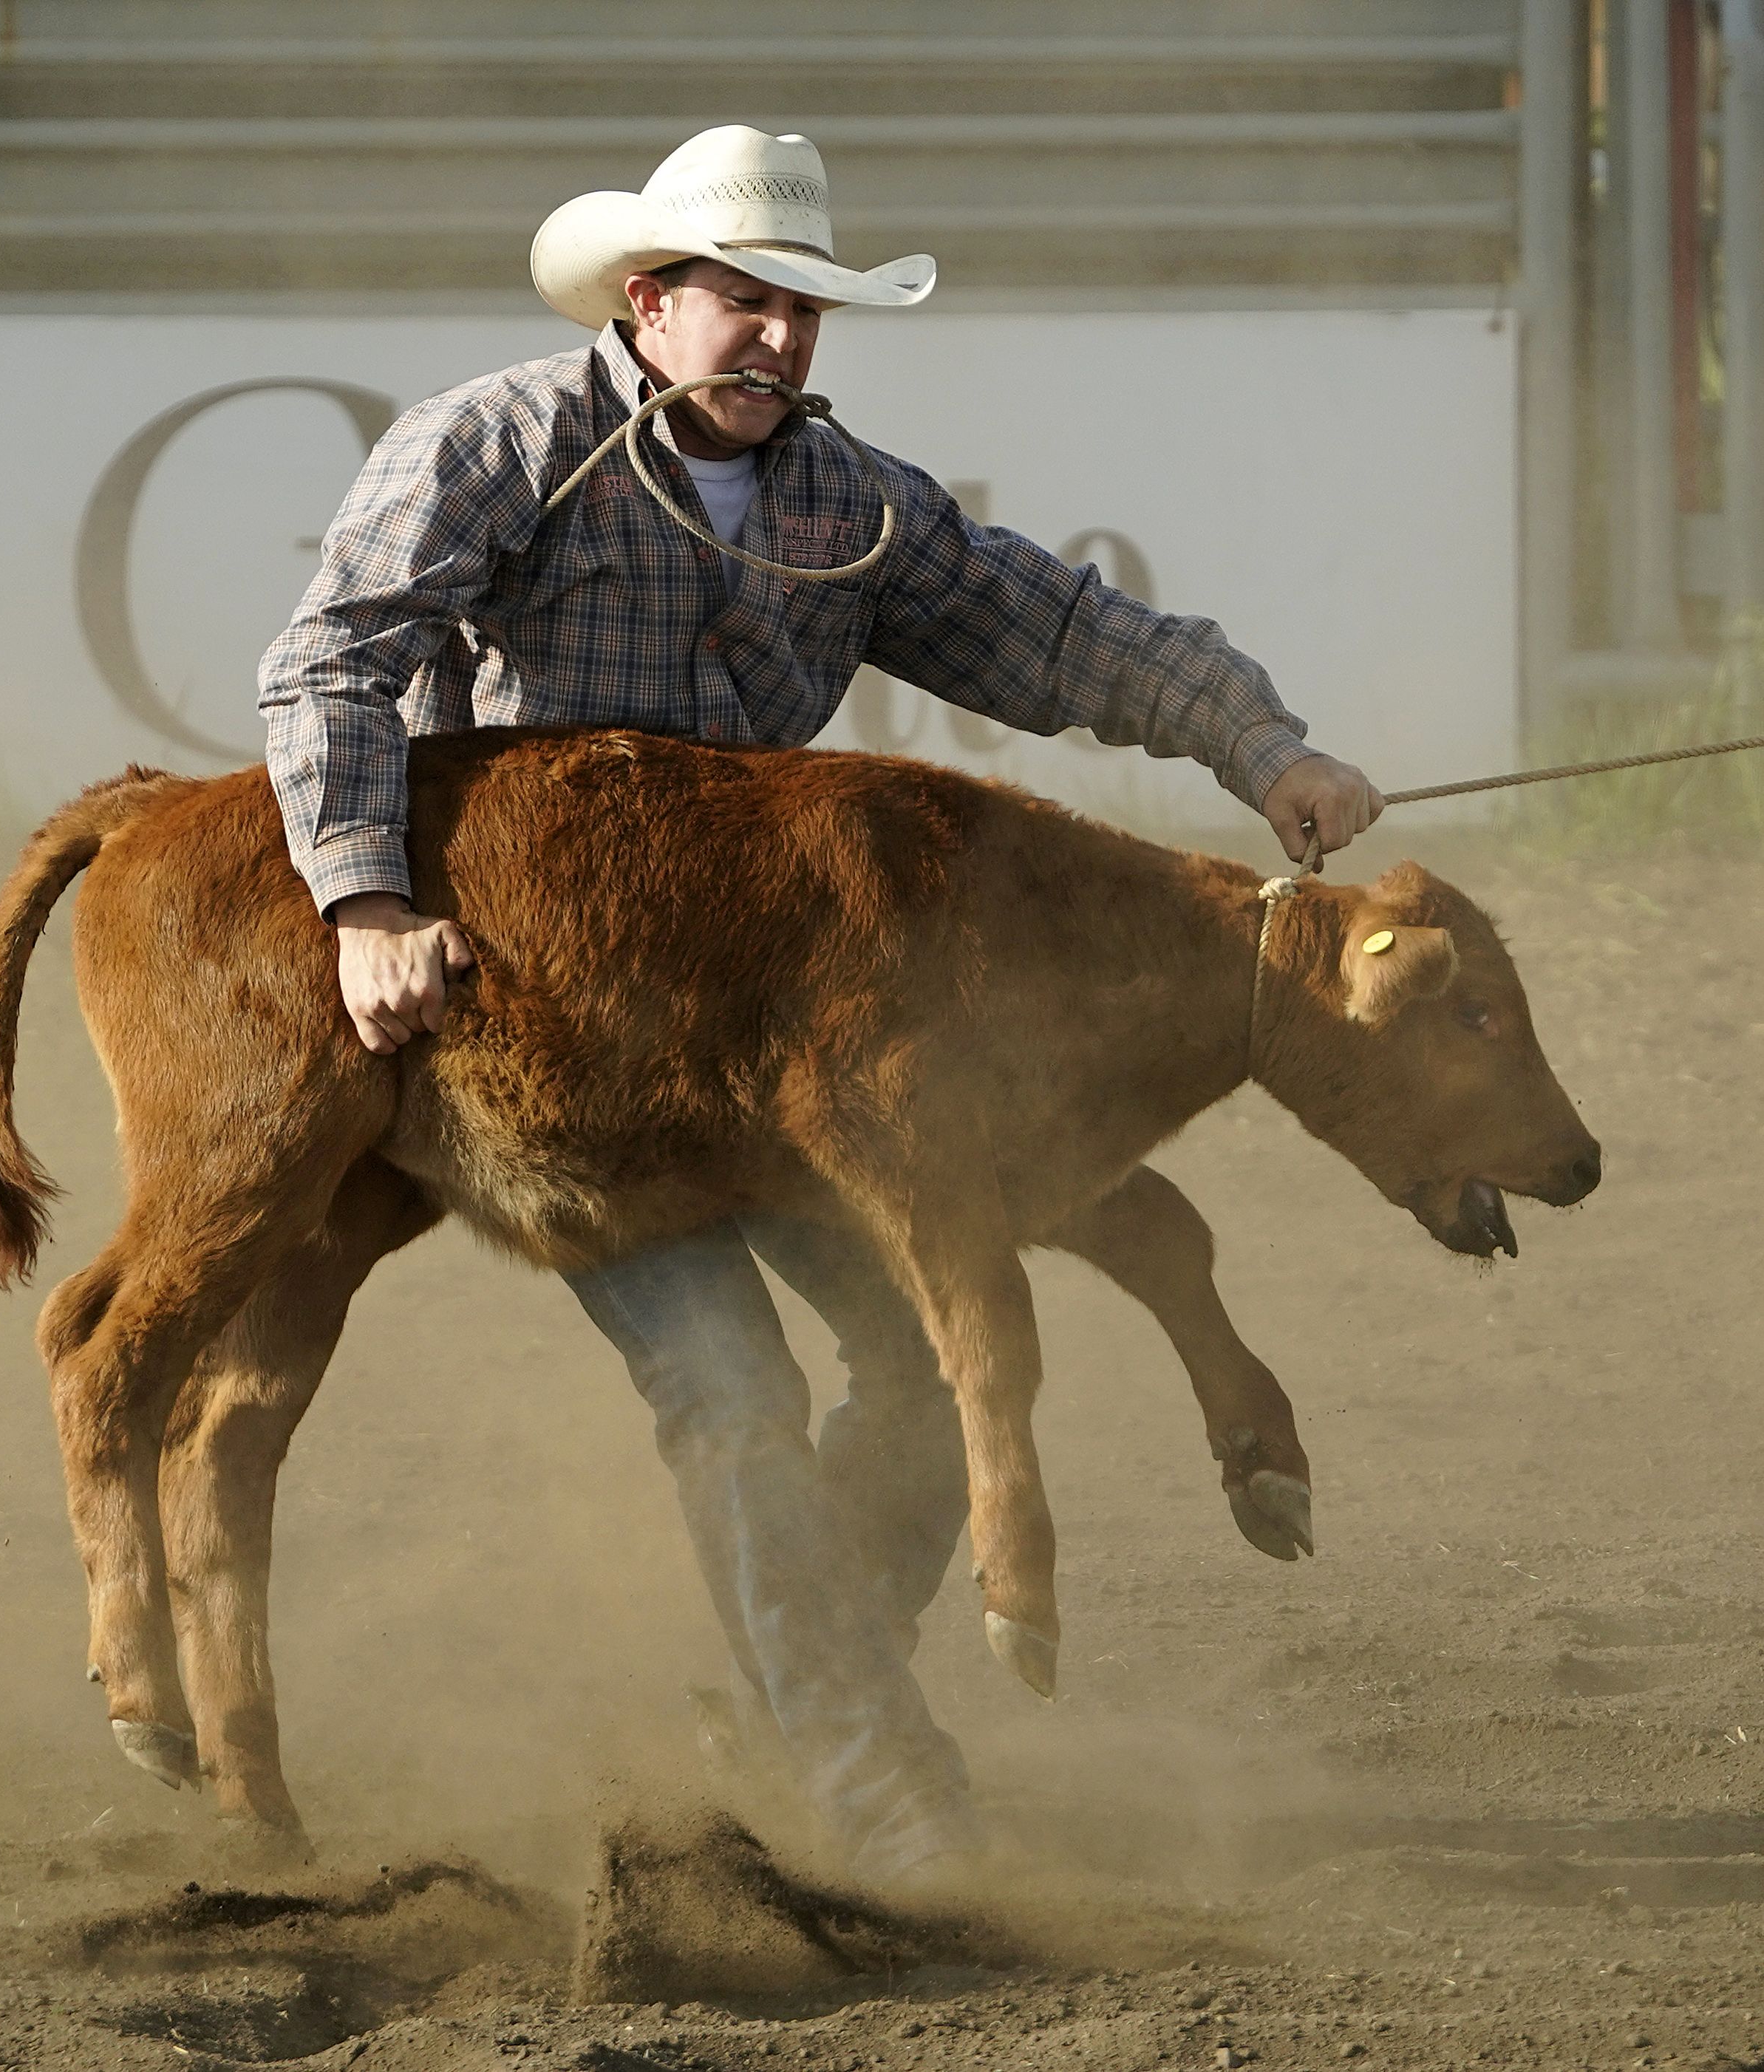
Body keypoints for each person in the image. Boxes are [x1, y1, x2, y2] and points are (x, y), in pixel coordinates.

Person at [259, 125, 1383, 1887]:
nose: (774, 339)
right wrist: (367, 900)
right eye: (741, 302)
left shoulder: (846, 506)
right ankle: (875, 1786)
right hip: (564, 1041)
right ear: (650, 303)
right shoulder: (493, 446)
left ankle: (805, 1682)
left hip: (772, 1044)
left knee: (931, 1362)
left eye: (800, 310)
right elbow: (332, 657)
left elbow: (1059, 632)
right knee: (728, 1385)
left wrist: (1263, 741)